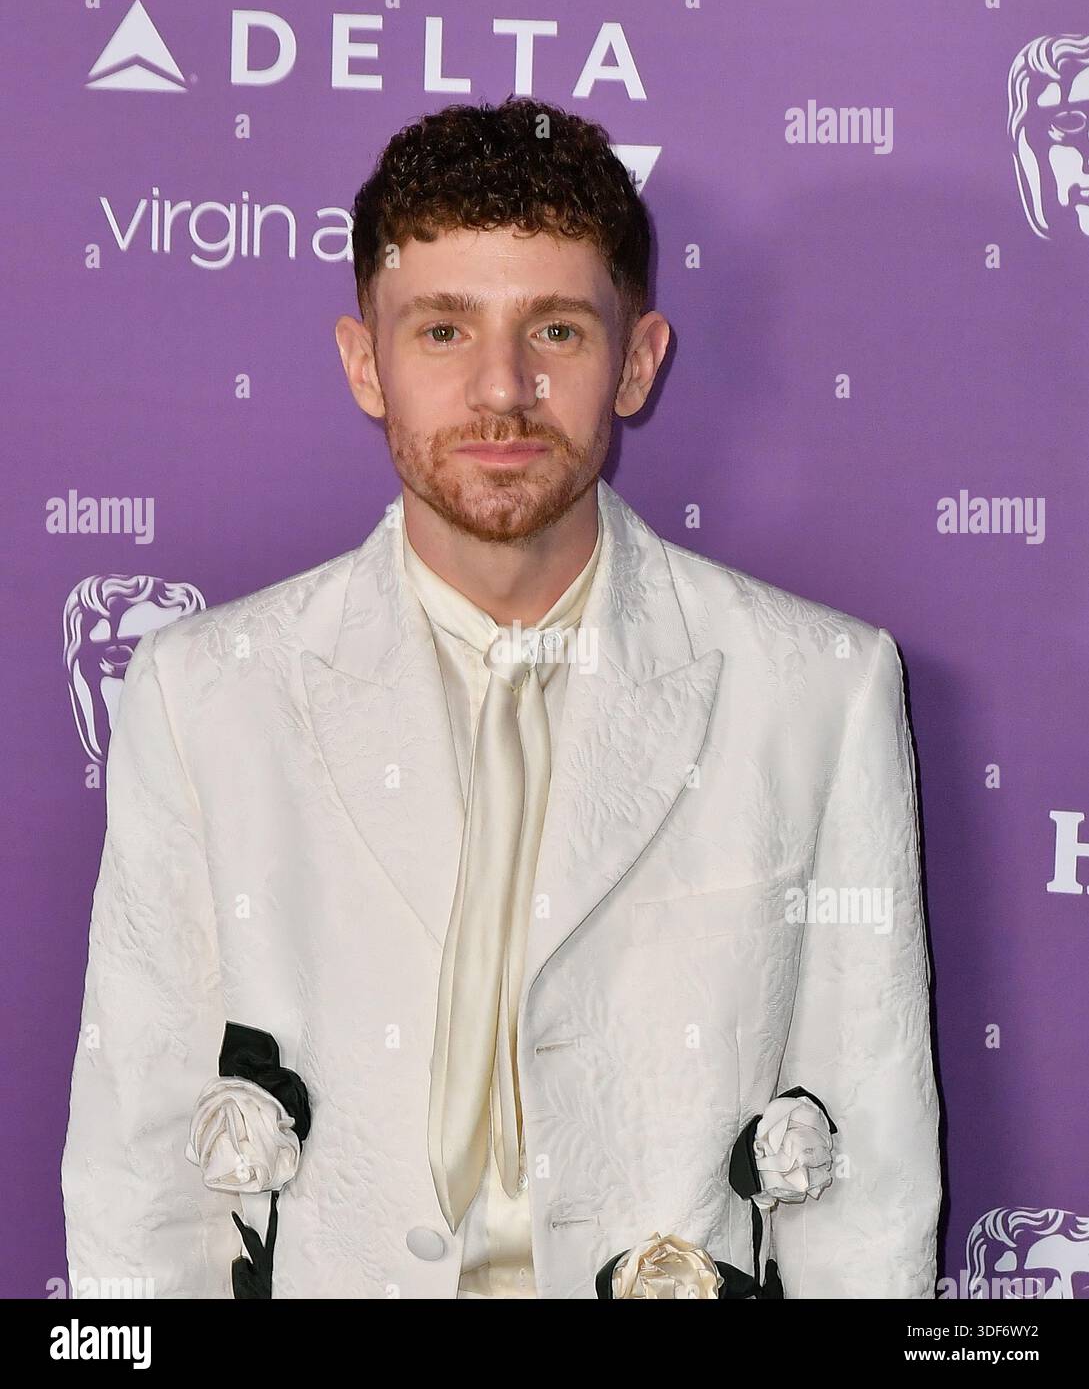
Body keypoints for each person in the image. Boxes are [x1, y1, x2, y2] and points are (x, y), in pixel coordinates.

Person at [61, 97, 941, 1299]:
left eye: (559, 332)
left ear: (637, 361)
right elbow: (140, 1163)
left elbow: (868, 1172)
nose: (503, 390)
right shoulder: (203, 697)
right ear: (365, 362)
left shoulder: (821, 691)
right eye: (441, 330)